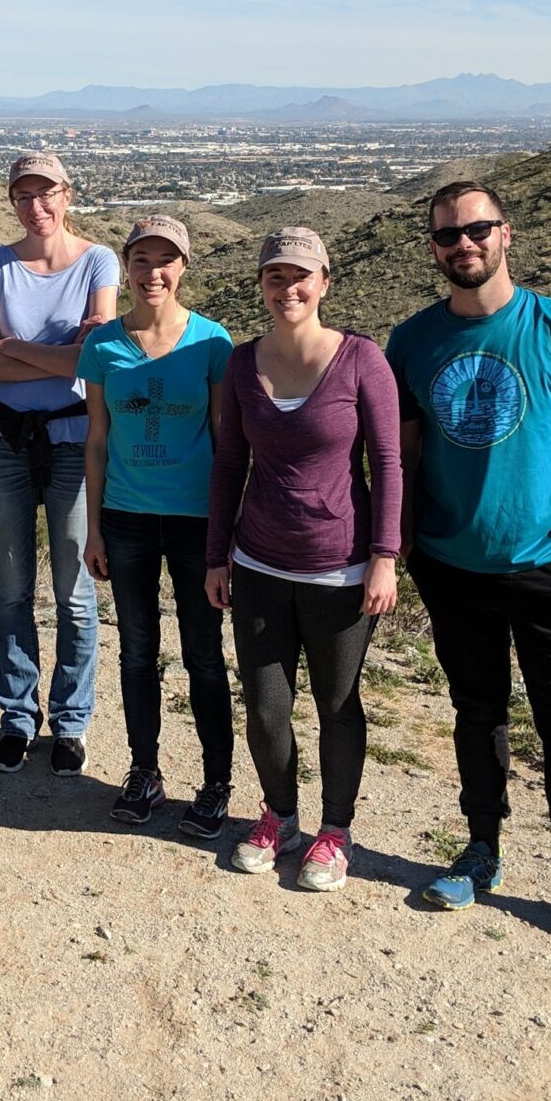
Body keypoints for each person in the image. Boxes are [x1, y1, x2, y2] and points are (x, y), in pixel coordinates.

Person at [386, 180, 551, 958]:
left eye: (477, 229)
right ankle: (481, 849)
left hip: (548, 567)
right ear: (433, 249)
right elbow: (404, 455)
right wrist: (402, 550)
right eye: (447, 236)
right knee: (477, 712)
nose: (463, 244)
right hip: (452, 563)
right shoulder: (413, 342)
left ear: (506, 233)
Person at [205, 227, 401, 892]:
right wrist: (217, 555)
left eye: (300, 277)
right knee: (264, 707)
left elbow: (389, 461)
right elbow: (230, 461)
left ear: (324, 282)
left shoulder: (360, 359)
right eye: (274, 277)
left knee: (337, 703)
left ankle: (335, 831)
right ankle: (279, 816)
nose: (287, 289)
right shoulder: (242, 363)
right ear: (261, 284)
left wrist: (385, 555)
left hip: (339, 565)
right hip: (259, 560)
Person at [80, 216, 236, 836]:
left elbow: (227, 444)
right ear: (126, 266)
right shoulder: (103, 346)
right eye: (141, 260)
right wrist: (93, 530)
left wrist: (228, 533)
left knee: (203, 653)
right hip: (127, 518)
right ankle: (144, 771)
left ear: (184, 267)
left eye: (166, 260)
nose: (153, 273)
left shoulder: (212, 343)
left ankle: (217, 781)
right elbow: (97, 440)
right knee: (138, 651)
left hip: (197, 520)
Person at [0, 153, 118, 775]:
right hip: (6, 439)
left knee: (74, 592)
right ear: (12, 202)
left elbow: (99, 355)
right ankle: (18, 717)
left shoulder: (98, 261)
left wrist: (16, 348)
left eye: (47, 193)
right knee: (11, 590)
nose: (37, 207)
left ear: (68, 194)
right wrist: (62, 355)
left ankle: (72, 721)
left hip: (73, 442)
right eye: (23, 196)